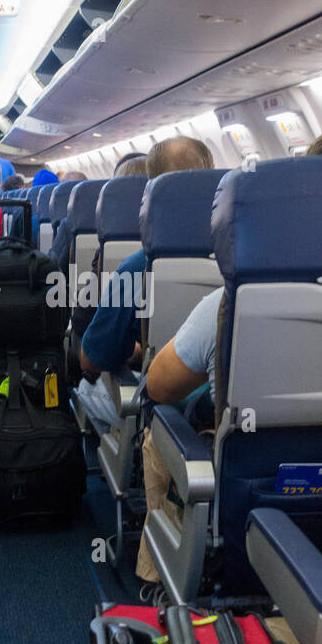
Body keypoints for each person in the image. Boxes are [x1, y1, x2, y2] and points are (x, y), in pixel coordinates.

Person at [134, 122, 322, 591]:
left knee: (160, 430)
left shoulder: (232, 303)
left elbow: (158, 386)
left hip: (256, 518)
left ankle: (163, 584)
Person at [74, 137, 214, 433]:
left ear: (152, 194)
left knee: (86, 391)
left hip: (162, 400)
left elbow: (93, 359)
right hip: (223, 402)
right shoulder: (244, 261)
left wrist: (138, 351)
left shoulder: (139, 267)